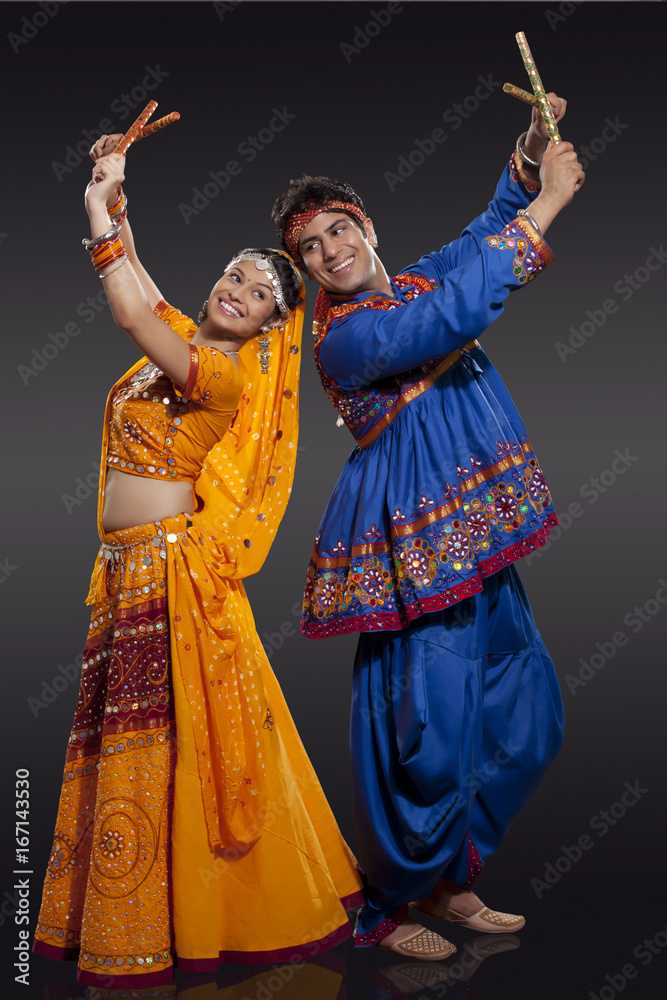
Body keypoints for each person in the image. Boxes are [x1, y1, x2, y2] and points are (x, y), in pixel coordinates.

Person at [33, 135, 363, 989]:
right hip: (125, 570)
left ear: (265, 329)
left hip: (171, 575)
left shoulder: (218, 376)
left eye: (260, 295)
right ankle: (136, 919)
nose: (240, 293)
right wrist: (113, 193)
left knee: (174, 752)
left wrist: (93, 221)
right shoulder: (185, 335)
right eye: (236, 276)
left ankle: (199, 923)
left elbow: (130, 312)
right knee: (133, 749)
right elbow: (143, 287)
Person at [270, 96, 583, 959]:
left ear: (365, 226)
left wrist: (527, 158)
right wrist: (553, 204)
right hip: (414, 552)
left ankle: (450, 880)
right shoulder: (341, 339)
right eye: (311, 249)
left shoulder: (414, 275)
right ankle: (390, 901)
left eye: (338, 230)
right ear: (304, 270)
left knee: (526, 712)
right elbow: (450, 318)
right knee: (428, 736)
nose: (330, 252)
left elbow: (489, 233)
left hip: (475, 542)